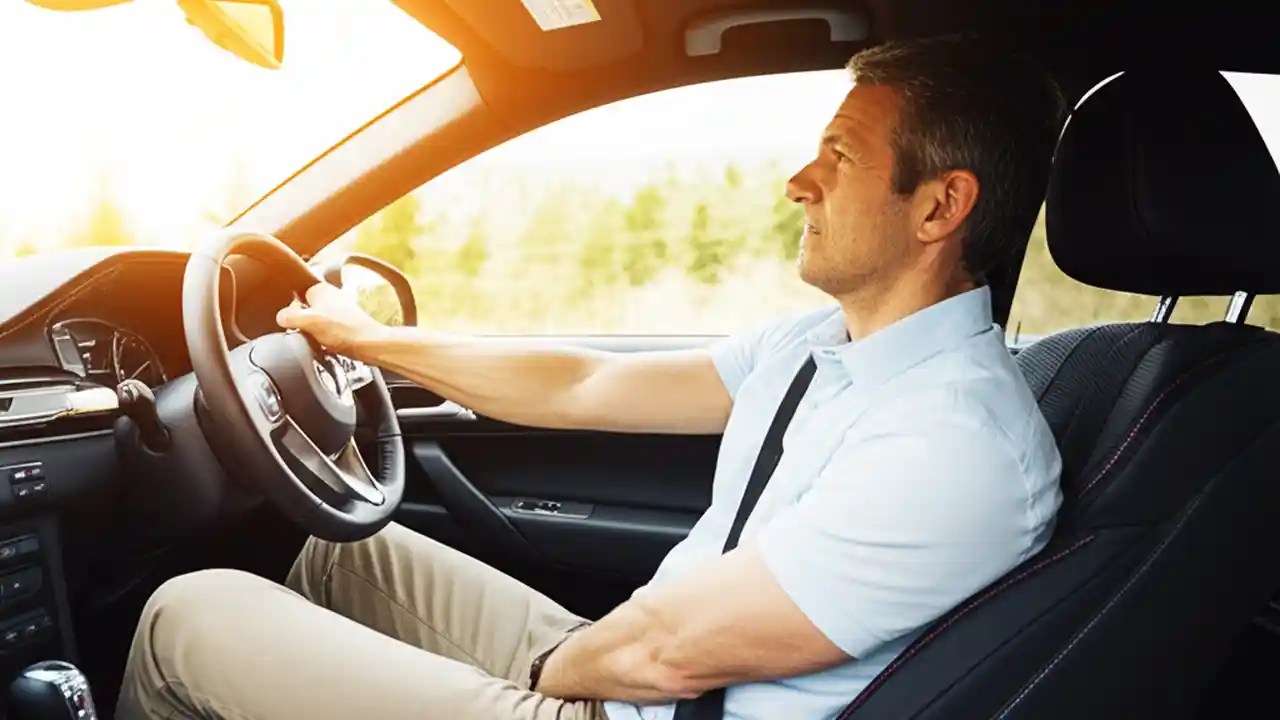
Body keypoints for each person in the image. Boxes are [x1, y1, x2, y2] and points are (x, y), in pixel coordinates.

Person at [116, 35, 1066, 720]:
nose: (798, 181)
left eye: (841, 155)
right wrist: (370, 344)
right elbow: (584, 386)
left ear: (941, 205)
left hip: (648, 692)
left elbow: (661, 653)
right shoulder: (823, 348)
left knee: (187, 618)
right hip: (639, 668)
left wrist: (532, 675)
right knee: (336, 551)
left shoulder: (956, 444)